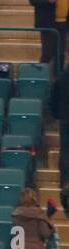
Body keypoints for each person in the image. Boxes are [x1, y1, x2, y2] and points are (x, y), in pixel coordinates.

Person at [51, 64, 69, 202]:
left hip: (64, 119)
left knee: (65, 151)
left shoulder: (61, 78)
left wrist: (56, 115)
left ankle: (64, 181)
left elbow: (52, 99)